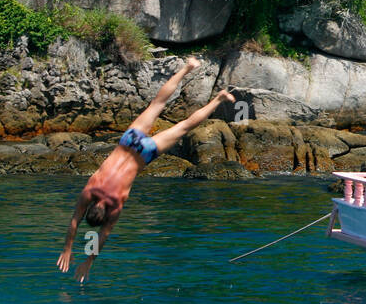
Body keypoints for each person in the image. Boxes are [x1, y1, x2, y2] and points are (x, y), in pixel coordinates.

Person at [57, 57, 234, 282]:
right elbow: (74, 221)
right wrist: (67, 248)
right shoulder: (90, 189)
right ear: (92, 206)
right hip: (128, 141)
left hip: (145, 153)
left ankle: (219, 98)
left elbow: (101, 237)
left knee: (184, 127)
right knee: (157, 104)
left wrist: (87, 263)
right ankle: (188, 67)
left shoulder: (117, 203)